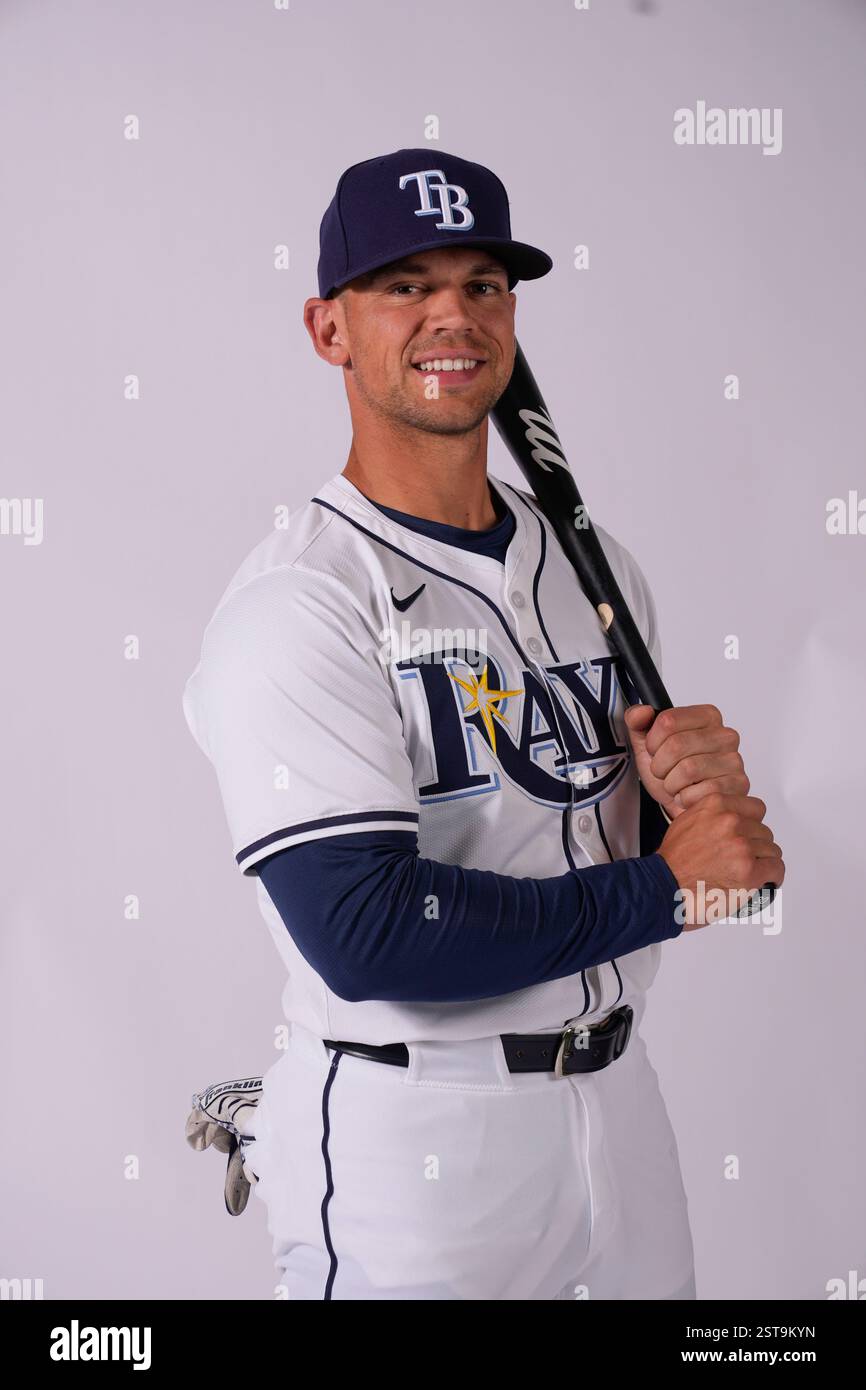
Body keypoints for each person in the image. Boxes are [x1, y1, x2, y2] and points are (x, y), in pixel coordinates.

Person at [182, 149, 785, 1300]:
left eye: (483, 284)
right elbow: (367, 932)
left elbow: (679, 869)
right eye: (404, 284)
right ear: (328, 329)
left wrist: (693, 822)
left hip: (620, 1107)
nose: (451, 312)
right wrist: (668, 888)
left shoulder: (592, 565)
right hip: (415, 1139)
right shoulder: (298, 603)